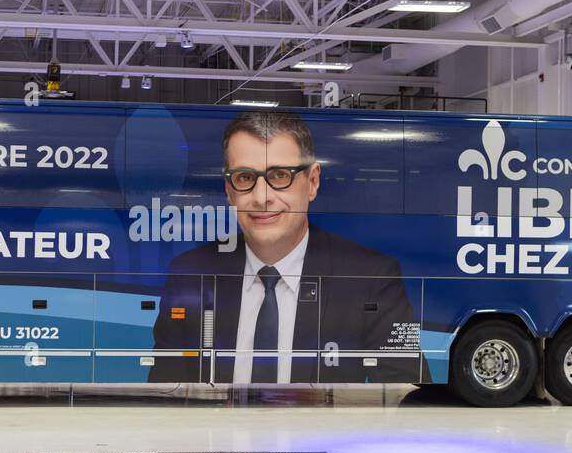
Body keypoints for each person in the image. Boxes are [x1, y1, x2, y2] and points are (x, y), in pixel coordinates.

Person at [149, 109, 416, 383]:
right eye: (244, 178)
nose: (262, 197)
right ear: (229, 190)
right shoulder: (189, 274)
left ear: (312, 182)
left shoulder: (371, 277)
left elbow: (403, 393)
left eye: (279, 176)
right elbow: (165, 390)